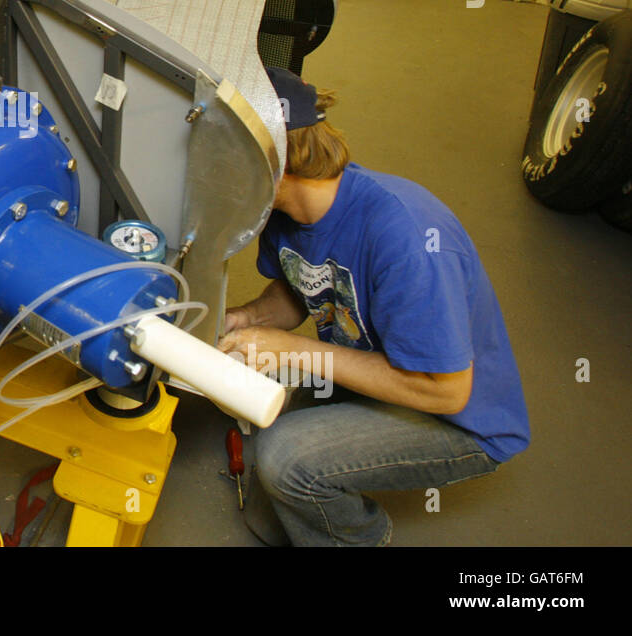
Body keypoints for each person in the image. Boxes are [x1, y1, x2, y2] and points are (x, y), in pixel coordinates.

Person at [217, 67, 530, 546]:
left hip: (456, 418)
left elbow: (446, 392)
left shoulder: (406, 237)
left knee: (286, 459)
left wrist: (289, 350)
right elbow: (297, 290)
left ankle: (362, 539)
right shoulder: (285, 211)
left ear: (273, 161)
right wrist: (247, 319)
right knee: (270, 495)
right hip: (383, 370)